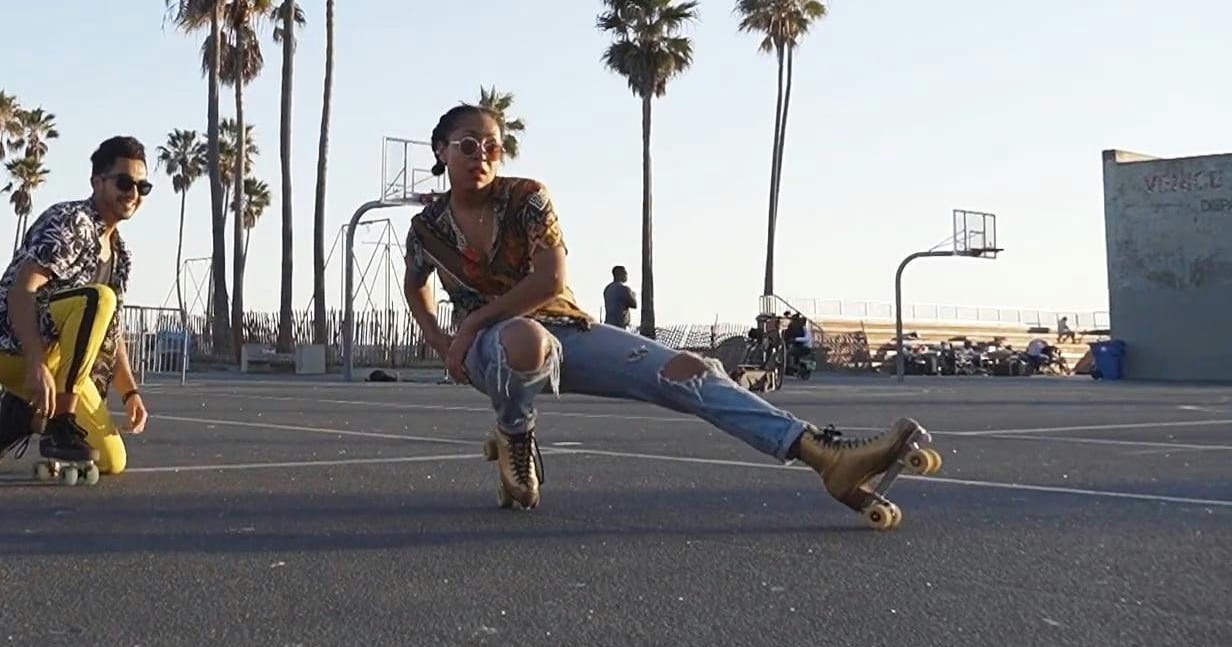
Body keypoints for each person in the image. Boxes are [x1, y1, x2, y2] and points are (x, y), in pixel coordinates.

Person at [401, 103, 937, 523]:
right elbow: (415, 287)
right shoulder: (427, 228)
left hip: (566, 329)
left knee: (689, 371)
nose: (482, 156)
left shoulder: (527, 198)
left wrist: (465, 322)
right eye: (468, 145)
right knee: (523, 340)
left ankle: (821, 453)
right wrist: (448, 340)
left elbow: (550, 280)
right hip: (492, 350)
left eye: (493, 146)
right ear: (442, 152)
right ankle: (515, 431)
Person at [0, 137, 152, 475]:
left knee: (111, 460)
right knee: (99, 298)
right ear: (97, 182)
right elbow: (22, 290)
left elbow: (111, 330)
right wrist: (36, 362)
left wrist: (130, 392)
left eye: (142, 186)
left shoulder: (121, 256)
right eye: (124, 182)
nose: (133, 193)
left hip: (57, 364)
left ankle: (24, 417)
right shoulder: (70, 221)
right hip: (6, 347)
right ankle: (60, 420)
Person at [602, 265, 637, 330]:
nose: (626, 275)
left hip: (608, 325)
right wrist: (633, 295)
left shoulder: (607, 288)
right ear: (620, 274)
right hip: (620, 326)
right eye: (625, 273)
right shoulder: (624, 289)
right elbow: (634, 305)